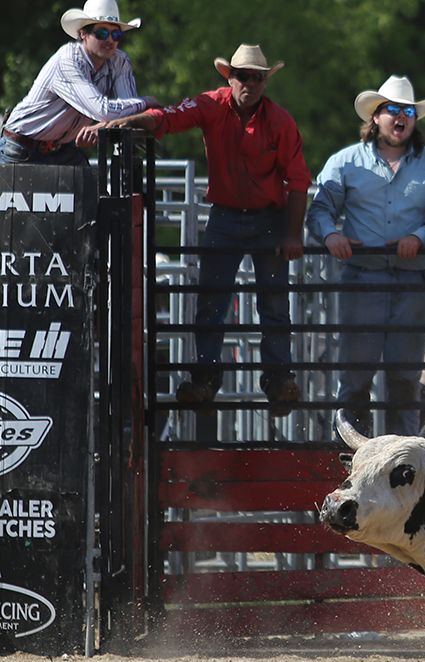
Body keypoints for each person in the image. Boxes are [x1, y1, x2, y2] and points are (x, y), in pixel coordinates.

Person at [96, 44, 311, 416]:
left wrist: (293, 234)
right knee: (213, 299)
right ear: (230, 77)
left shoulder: (279, 121)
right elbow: (169, 117)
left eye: (257, 78)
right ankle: (208, 379)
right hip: (228, 216)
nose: (250, 83)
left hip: (266, 219)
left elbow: (298, 180)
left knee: (272, 302)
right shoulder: (211, 104)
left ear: (264, 82)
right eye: (243, 76)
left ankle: (277, 381)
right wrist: (132, 122)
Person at [306, 76, 425, 435]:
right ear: (376, 117)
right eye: (393, 110)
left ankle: (405, 454)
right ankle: (350, 452)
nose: (401, 117)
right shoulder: (345, 161)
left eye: (408, 112)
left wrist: (419, 236)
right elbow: (319, 210)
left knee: (405, 379)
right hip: (363, 277)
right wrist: (331, 234)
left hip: (412, 280)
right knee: (355, 378)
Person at [0, 0, 159, 166]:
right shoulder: (68, 60)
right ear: (83, 34)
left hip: (60, 149)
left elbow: (127, 113)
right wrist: (146, 101)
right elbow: (103, 110)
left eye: (116, 35)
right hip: (19, 148)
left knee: (92, 183)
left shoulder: (119, 61)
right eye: (102, 33)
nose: (110, 40)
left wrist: (104, 126)